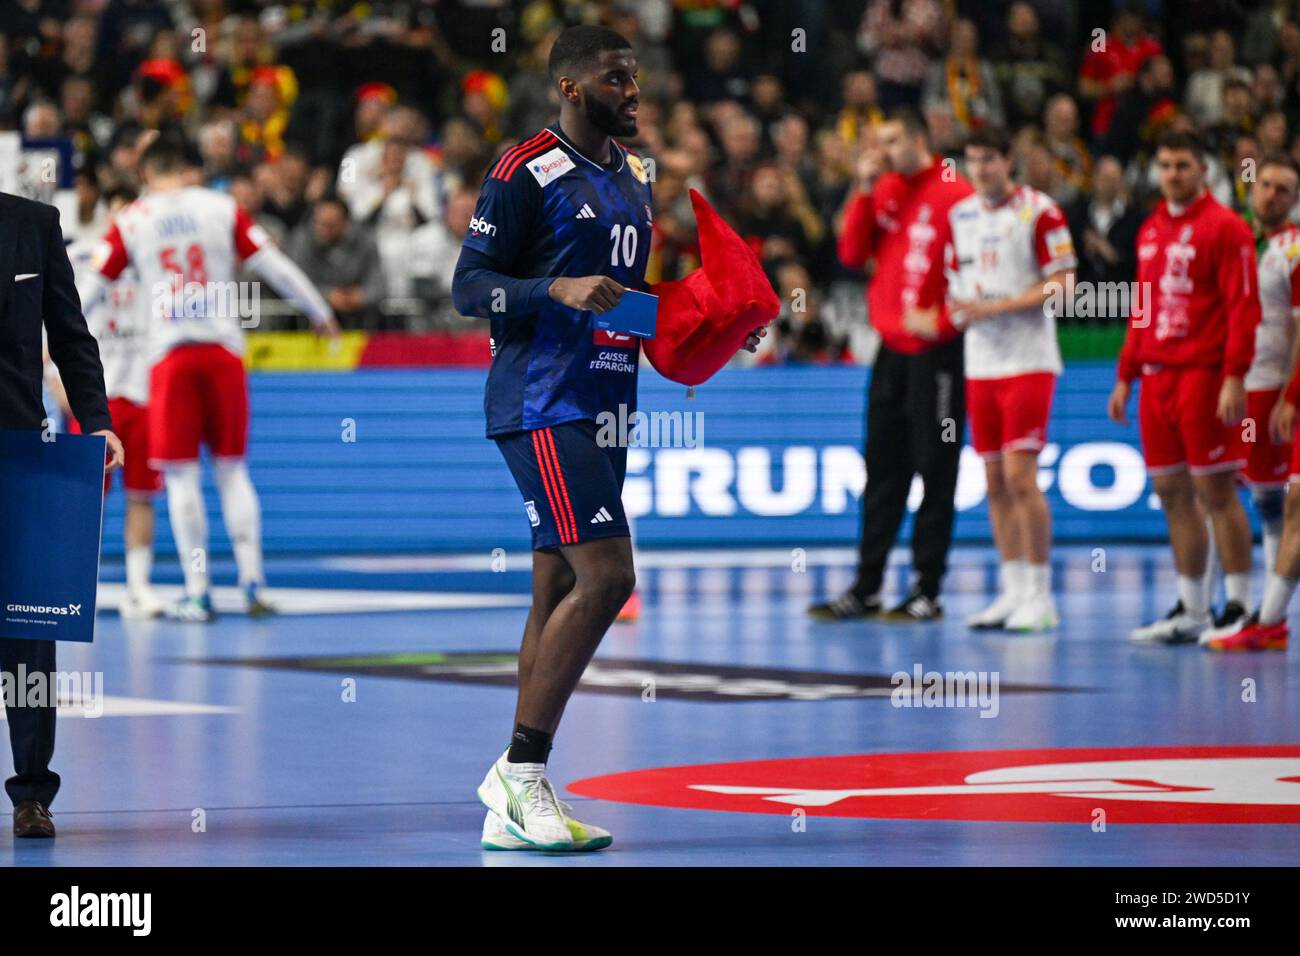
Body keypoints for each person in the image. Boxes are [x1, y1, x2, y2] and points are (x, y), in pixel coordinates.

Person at [452, 24, 763, 851]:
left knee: (556, 590)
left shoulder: (633, 176)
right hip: (543, 401)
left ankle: (515, 808)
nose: (633, 92)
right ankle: (519, 774)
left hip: (607, 400)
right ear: (570, 86)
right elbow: (466, 288)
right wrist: (552, 285)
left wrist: (716, 322)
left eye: (636, 79)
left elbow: (621, 300)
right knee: (610, 573)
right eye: (617, 79)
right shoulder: (525, 169)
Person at [78, 134, 339, 623]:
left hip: (170, 360)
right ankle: (252, 582)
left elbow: (89, 289)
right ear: (186, 166)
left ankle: (198, 591)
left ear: (145, 173)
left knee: (180, 478)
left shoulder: (133, 219)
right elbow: (274, 266)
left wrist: (51, 334)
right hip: (223, 353)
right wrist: (318, 311)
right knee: (233, 471)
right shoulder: (221, 207)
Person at [809, 109, 973, 622]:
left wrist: (945, 320)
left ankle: (927, 588)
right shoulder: (886, 190)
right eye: (878, 142)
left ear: (920, 138)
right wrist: (862, 187)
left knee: (936, 471)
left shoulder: (956, 195)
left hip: (939, 356)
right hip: (891, 352)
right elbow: (853, 253)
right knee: (881, 472)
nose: (883, 150)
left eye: (894, 139)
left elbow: (980, 273)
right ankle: (867, 586)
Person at [0, 189, 124, 837]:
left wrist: (96, 423)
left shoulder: (35, 225)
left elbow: (72, 337)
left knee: (29, 635)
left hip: (21, 455)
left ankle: (31, 793)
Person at [1107, 130, 1261, 644]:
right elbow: (1142, 306)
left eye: (1182, 166)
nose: (1172, 174)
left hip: (1204, 375)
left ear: (1203, 170)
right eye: (1165, 165)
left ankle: (1238, 605)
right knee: (1171, 492)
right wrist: (1125, 376)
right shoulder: (1150, 228)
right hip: (1156, 378)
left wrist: (1234, 375)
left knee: (1216, 490)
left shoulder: (1227, 227)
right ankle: (1193, 607)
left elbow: (1243, 307)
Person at [946, 126, 1076, 632]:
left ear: (1009, 159)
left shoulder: (1040, 211)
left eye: (989, 159)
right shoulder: (960, 216)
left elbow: (1065, 285)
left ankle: (1041, 596)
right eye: (972, 159)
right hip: (981, 360)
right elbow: (955, 284)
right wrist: (959, 311)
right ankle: (1012, 589)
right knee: (994, 481)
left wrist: (997, 306)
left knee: (1022, 477)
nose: (980, 169)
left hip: (1028, 359)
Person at [1201, 155, 1300, 652]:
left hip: (1275, 387)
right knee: (1262, 497)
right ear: (1251, 188)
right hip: (1243, 383)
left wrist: (1290, 393)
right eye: (1266, 185)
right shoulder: (1240, 240)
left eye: (1285, 189)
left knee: (1281, 502)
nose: (1273, 196)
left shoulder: (1294, 248)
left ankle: (1267, 612)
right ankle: (1256, 608)